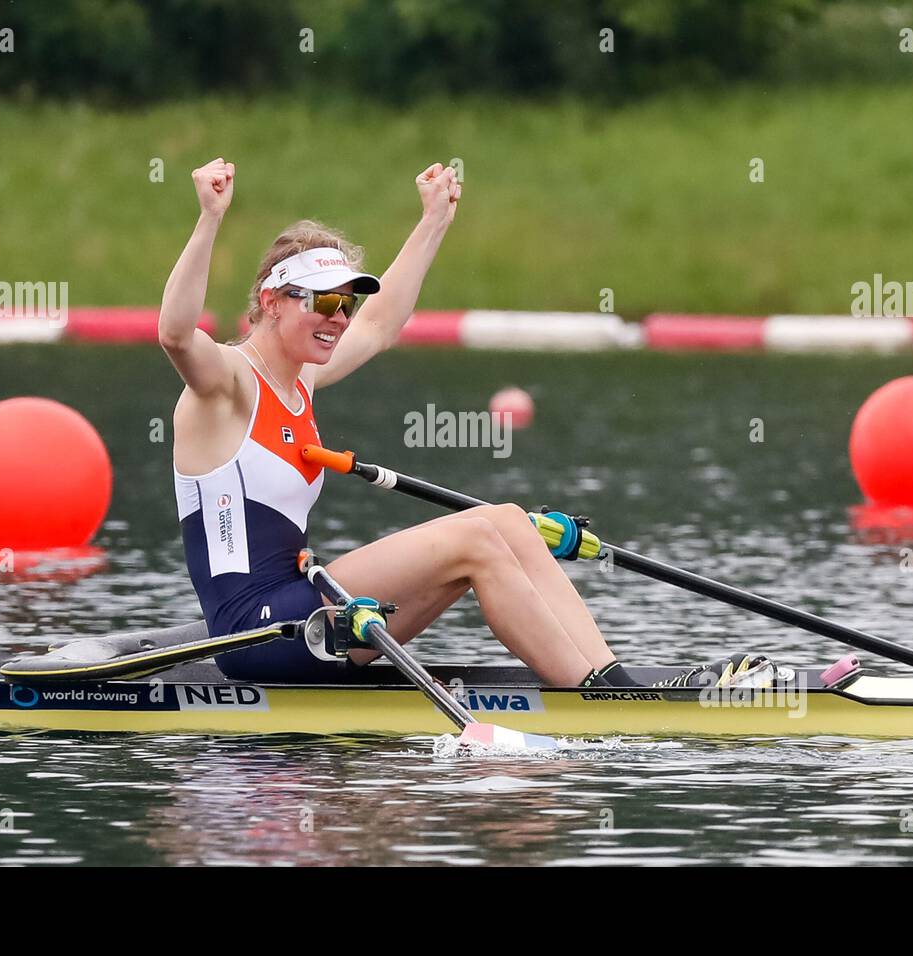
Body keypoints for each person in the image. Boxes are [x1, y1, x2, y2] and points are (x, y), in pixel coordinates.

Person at [158, 157, 652, 688]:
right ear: (272, 302)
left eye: (345, 303)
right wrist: (210, 217)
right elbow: (176, 335)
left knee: (506, 519)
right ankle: (594, 700)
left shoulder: (299, 382)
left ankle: (610, 678)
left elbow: (381, 322)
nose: (339, 318)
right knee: (476, 539)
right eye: (324, 300)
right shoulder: (225, 386)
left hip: (306, 615)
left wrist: (435, 218)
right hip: (253, 635)